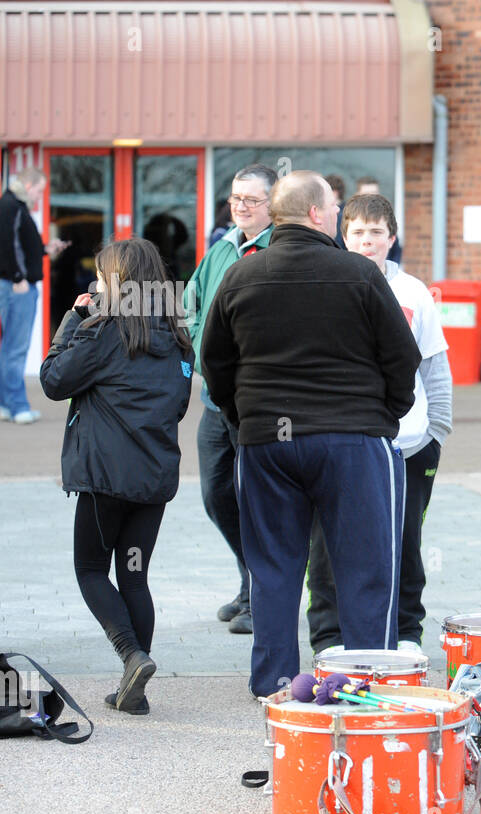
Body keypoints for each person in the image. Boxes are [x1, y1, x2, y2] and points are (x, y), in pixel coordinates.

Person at [200, 171, 420, 698]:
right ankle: (368, 679)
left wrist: (244, 418)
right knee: (365, 567)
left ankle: (275, 685)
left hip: (267, 443)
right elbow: (402, 357)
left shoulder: (239, 277)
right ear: (320, 215)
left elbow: (214, 363)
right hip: (353, 438)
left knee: (273, 567)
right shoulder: (359, 274)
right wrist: (384, 415)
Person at [39, 238, 194, 714]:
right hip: (154, 480)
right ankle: (135, 692)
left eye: (105, 275)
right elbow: (180, 406)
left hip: (106, 479)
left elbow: (52, 380)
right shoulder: (177, 335)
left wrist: (72, 319)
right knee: (133, 576)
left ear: (120, 281)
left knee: (89, 569)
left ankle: (132, 656)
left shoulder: (105, 332)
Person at [306, 192, 453, 658]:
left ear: (392, 238)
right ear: (341, 236)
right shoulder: (325, 285)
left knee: (406, 542)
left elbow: (435, 367)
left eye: (375, 232)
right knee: (330, 543)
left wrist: (436, 434)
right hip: (343, 441)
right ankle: (331, 636)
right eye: (356, 232)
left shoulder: (414, 294)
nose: (366, 241)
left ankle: (405, 633)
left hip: (408, 444)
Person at [183, 163, 277, 636]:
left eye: (251, 200)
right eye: (235, 199)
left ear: (273, 205)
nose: (240, 207)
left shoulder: (278, 251)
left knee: (258, 500)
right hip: (213, 400)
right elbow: (191, 304)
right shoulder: (221, 247)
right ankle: (247, 583)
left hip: (254, 403)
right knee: (217, 495)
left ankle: (265, 598)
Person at [0, 167, 68, 424]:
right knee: (16, 349)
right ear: (29, 185)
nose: (40, 196)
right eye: (40, 190)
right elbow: (5, 246)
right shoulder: (11, 207)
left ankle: (7, 405)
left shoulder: (9, 206)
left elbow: (16, 245)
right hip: (15, 287)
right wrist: (18, 278)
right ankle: (18, 406)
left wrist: (44, 249)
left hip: (8, 283)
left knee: (10, 347)